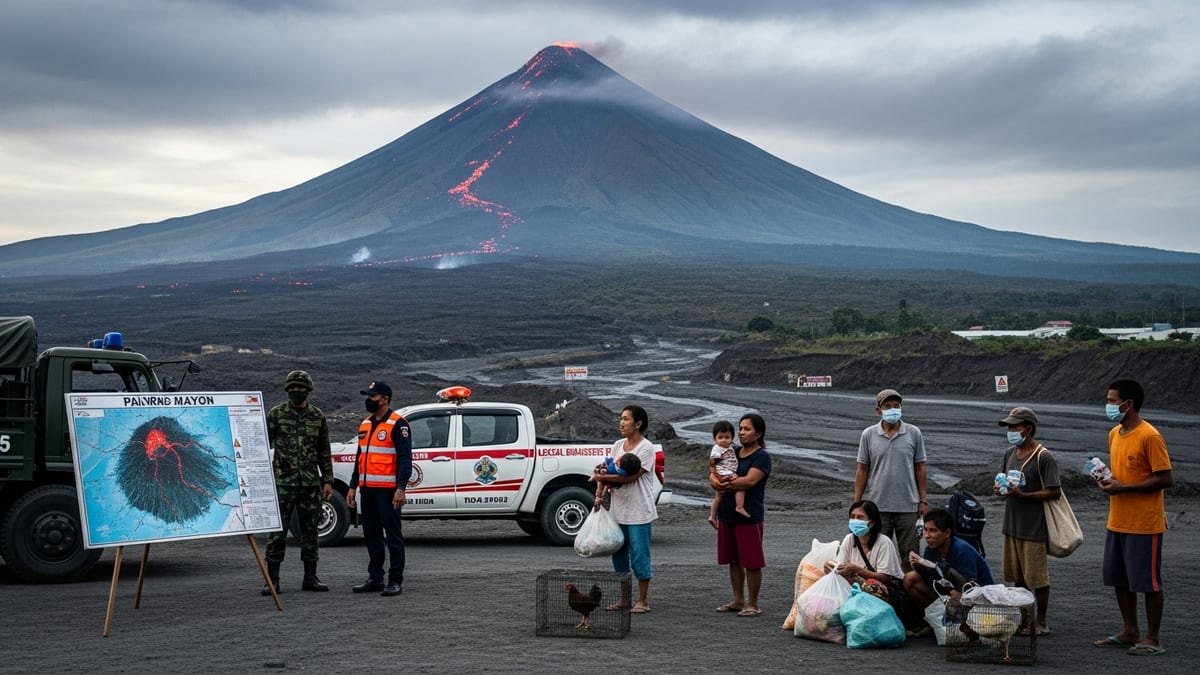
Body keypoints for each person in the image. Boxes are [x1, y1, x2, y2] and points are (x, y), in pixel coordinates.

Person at [1092, 379, 1173, 656]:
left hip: (1144, 523)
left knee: (1147, 582)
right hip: (1118, 519)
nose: (1109, 405)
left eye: (1113, 401)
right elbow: (1122, 476)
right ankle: (1129, 631)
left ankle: (1153, 638)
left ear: (1128, 404)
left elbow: (1165, 478)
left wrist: (1123, 488)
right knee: (1120, 579)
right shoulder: (1115, 433)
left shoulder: (1149, 436)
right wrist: (1109, 482)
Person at [261, 369, 334, 595]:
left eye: (300, 388)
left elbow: (324, 449)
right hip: (283, 483)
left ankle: (310, 578)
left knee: (310, 531)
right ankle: (272, 580)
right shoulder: (276, 414)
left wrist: (328, 480)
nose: (296, 391)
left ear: (308, 390)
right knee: (277, 533)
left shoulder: (317, 416)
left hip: (311, 483)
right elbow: (262, 444)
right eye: (292, 388)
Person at [994, 406, 1060, 636]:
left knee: (1037, 577)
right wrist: (1000, 490)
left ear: (1028, 429)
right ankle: (1024, 619)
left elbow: (1054, 491)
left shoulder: (1044, 457)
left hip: (1034, 526)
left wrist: (1025, 496)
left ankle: (1041, 620)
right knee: (1018, 576)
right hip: (1012, 525)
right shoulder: (1009, 454)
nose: (1010, 431)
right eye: (1009, 427)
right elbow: (1003, 483)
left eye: (1014, 427)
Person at [345, 381, 412, 597]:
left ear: (385, 398)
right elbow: (360, 458)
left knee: (393, 536)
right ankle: (375, 577)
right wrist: (353, 486)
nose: (369, 400)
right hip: (368, 490)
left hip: (388, 491)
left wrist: (400, 488)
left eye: (372, 396)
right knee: (371, 535)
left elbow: (405, 459)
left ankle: (395, 580)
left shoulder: (398, 424)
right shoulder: (365, 423)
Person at [592, 404, 659, 614]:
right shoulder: (618, 444)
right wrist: (600, 484)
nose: (621, 423)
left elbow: (631, 476)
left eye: (626, 419)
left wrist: (601, 477)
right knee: (619, 555)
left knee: (640, 555)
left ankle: (642, 600)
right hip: (619, 510)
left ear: (638, 424)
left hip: (639, 511)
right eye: (621, 418)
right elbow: (610, 467)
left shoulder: (646, 448)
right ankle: (625, 599)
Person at [854, 389, 928, 571]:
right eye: (887, 406)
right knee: (876, 554)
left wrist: (922, 500)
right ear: (878, 410)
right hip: (878, 507)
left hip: (908, 507)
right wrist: (858, 502)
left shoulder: (913, 433)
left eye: (896, 406)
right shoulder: (869, 435)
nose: (893, 409)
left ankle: (909, 593)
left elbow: (921, 467)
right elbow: (862, 468)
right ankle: (878, 593)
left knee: (910, 557)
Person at [713, 413, 771, 617]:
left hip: (749, 516)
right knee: (734, 560)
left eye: (746, 429)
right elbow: (714, 470)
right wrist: (715, 480)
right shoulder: (733, 452)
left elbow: (750, 481)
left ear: (759, 433)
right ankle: (738, 600)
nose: (741, 432)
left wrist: (722, 484)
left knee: (752, 562)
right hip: (727, 514)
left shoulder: (761, 457)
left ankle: (753, 603)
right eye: (740, 428)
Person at [903, 507, 995, 612]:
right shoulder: (931, 549)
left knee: (956, 595)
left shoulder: (962, 550)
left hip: (978, 596)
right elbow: (932, 578)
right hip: (949, 589)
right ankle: (931, 621)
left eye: (933, 530)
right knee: (910, 578)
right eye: (925, 530)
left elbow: (969, 586)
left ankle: (956, 624)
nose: (927, 535)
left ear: (947, 533)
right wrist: (918, 565)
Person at [824, 499, 904, 594]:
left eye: (860, 518)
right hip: (857, 587)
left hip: (883, 592)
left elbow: (885, 579)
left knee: (871, 584)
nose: (855, 521)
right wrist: (831, 567)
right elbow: (841, 566)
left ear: (872, 523)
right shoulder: (849, 539)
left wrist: (857, 569)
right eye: (852, 517)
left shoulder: (884, 542)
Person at [707, 420, 749, 528]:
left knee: (718, 496)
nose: (724, 440)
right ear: (714, 439)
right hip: (724, 473)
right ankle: (739, 506)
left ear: (732, 439)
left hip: (724, 473)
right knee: (740, 488)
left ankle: (712, 516)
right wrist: (715, 473)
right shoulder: (717, 449)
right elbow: (712, 463)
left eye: (727, 437)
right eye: (720, 437)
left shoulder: (731, 448)